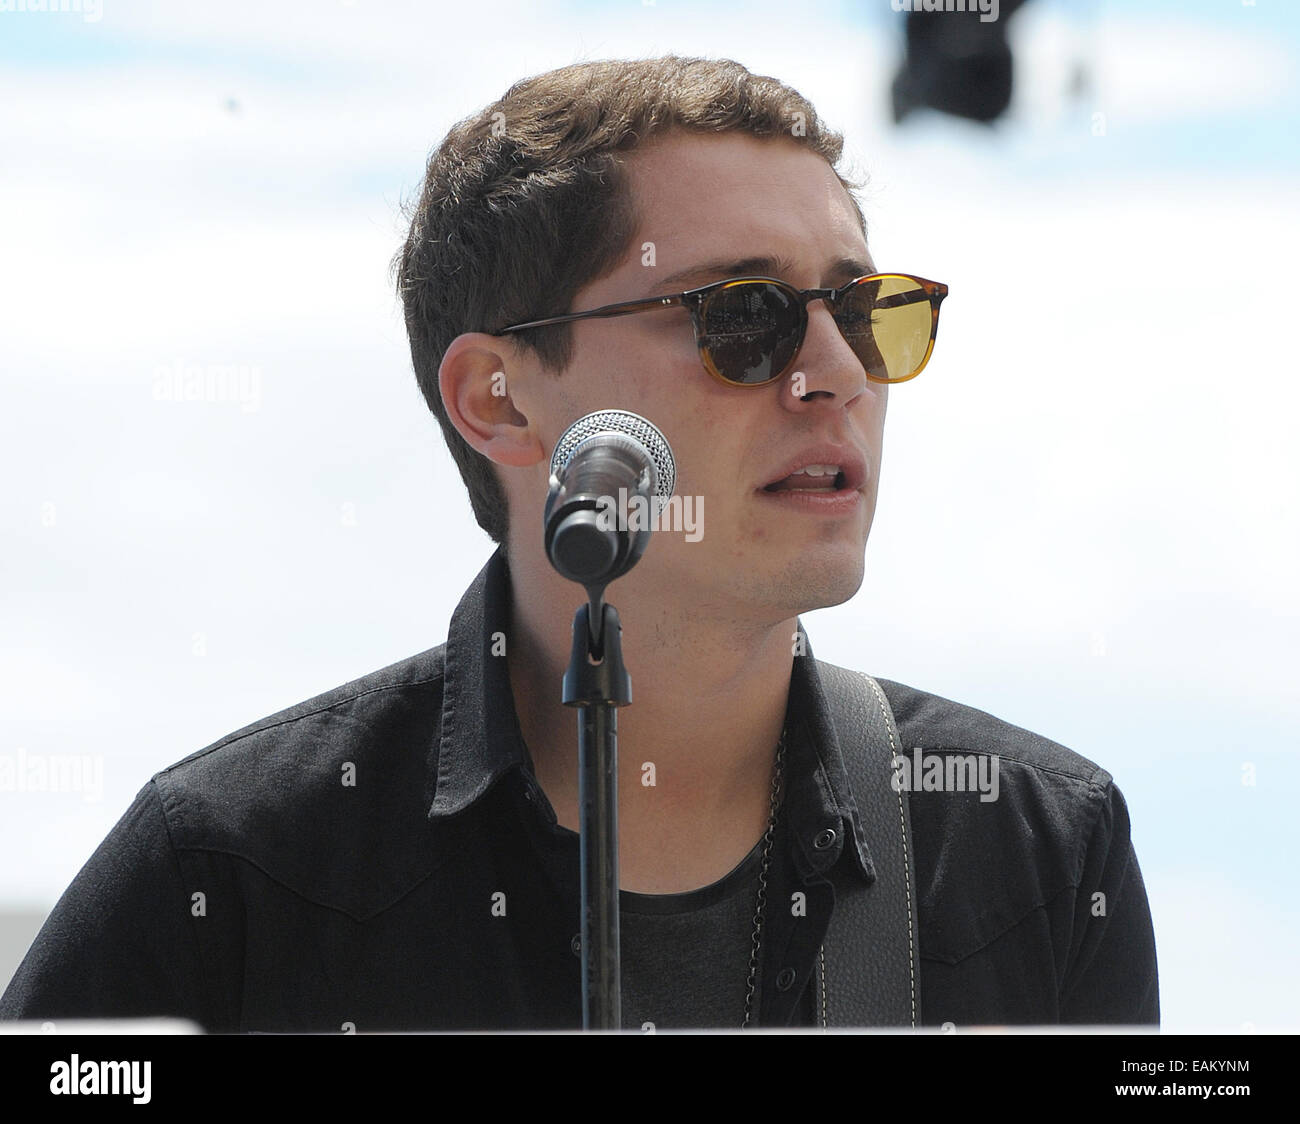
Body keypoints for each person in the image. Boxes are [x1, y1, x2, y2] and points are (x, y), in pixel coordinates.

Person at [0, 55, 1157, 1032]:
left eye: (860, 312)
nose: (838, 375)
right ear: (499, 398)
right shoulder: (227, 872)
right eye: (739, 315)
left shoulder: (1040, 847)